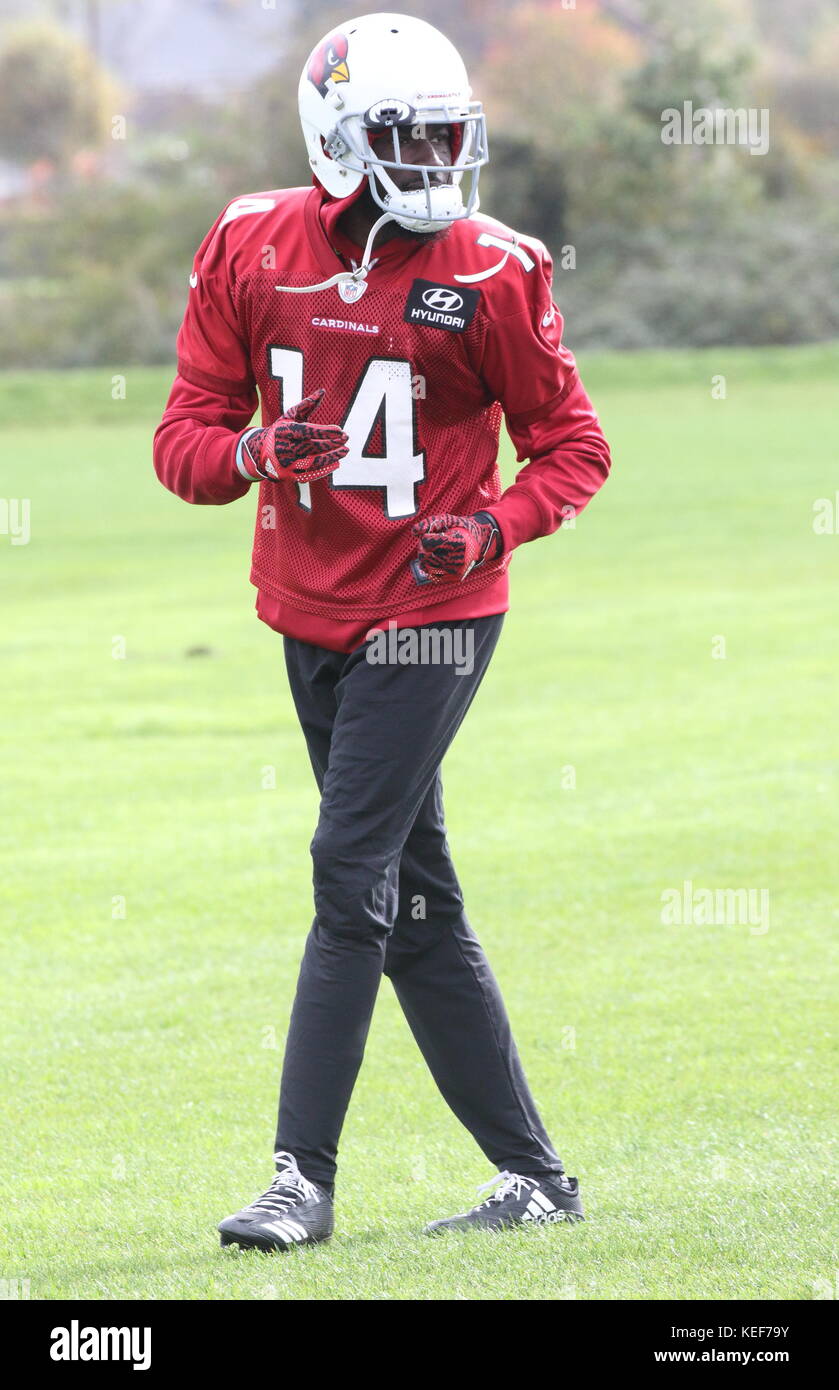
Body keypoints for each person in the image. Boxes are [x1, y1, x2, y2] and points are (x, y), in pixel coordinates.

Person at [153, 11, 611, 1251]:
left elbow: (572, 447)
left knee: (347, 872)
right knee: (415, 902)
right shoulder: (251, 242)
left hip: (431, 614)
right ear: (338, 137)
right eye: (406, 137)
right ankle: (534, 1179)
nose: (434, 162)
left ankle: (300, 1177)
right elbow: (181, 439)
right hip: (307, 609)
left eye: (447, 137)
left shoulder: (494, 268)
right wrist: (251, 449)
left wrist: (496, 526)